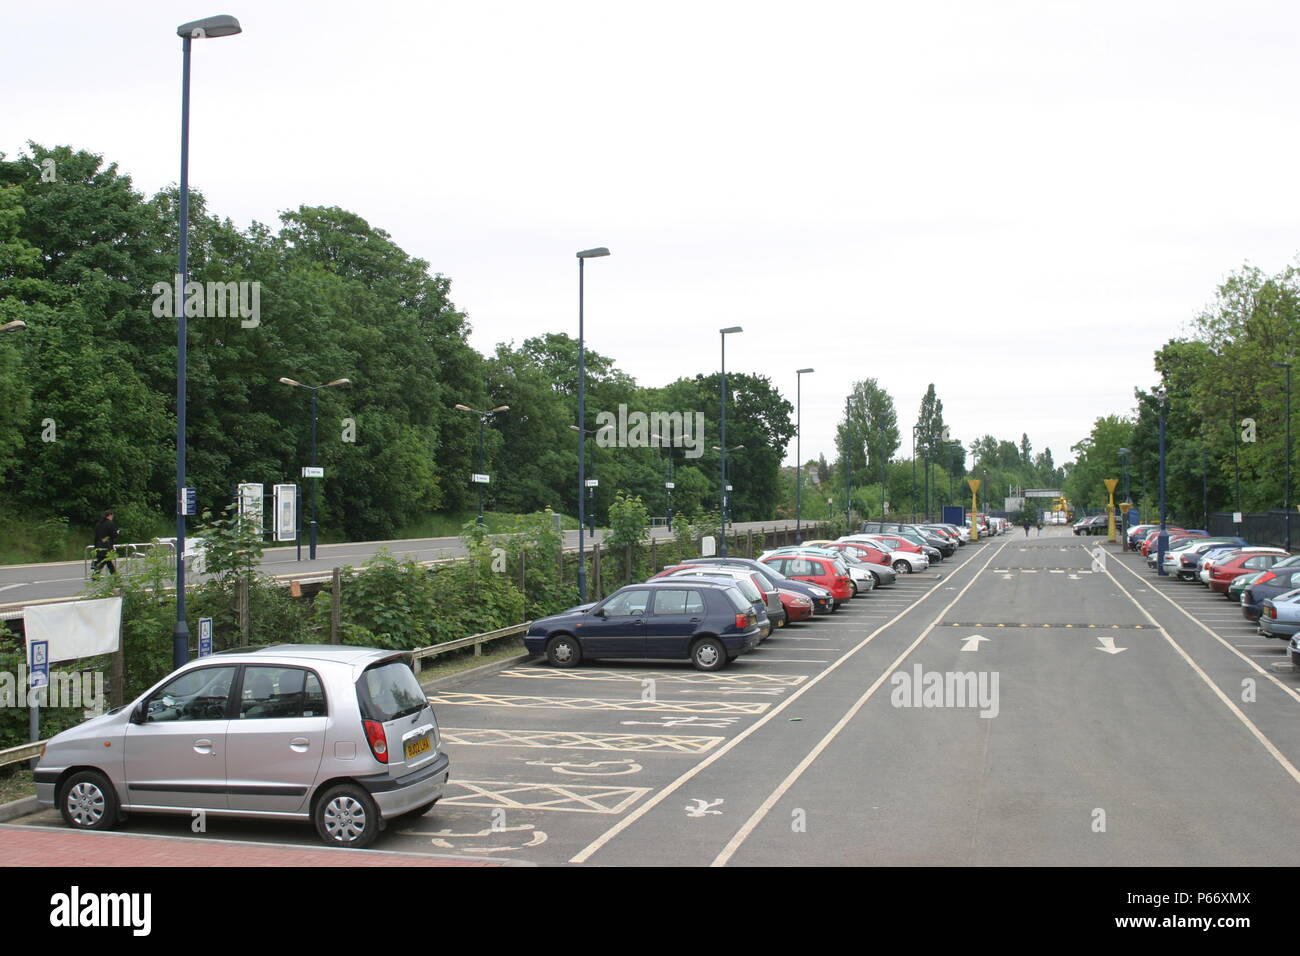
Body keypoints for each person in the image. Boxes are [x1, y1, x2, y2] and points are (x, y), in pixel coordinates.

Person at [92, 509, 119, 576]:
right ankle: (115, 577)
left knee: (106, 562)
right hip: (107, 546)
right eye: (112, 516)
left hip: (99, 546)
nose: (112, 517)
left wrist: (95, 547)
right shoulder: (110, 523)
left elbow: (96, 536)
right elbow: (113, 535)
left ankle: (115, 576)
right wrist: (117, 533)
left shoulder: (98, 524)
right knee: (106, 561)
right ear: (109, 515)